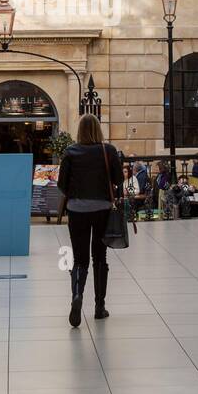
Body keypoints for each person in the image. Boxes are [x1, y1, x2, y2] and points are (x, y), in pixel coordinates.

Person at [56, 113, 124, 328]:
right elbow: (119, 179)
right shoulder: (108, 151)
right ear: (98, 129)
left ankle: (77, 296)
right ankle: (99, 307)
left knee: (80, 259)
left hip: (77, 210)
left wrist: (75, 195)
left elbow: (61, 184)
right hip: (102, 209)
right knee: (100, 257)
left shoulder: (70, 152)